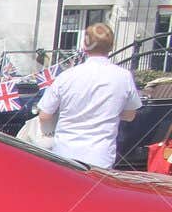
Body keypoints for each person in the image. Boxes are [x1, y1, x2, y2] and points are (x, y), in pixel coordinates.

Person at [37, 23, 141, 168]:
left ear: (85, 46)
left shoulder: (67, 76)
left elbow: (44, 116)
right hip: (101, 156)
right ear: (111, 46)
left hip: (65, 153)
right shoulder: (124, 77)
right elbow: (130, 115)